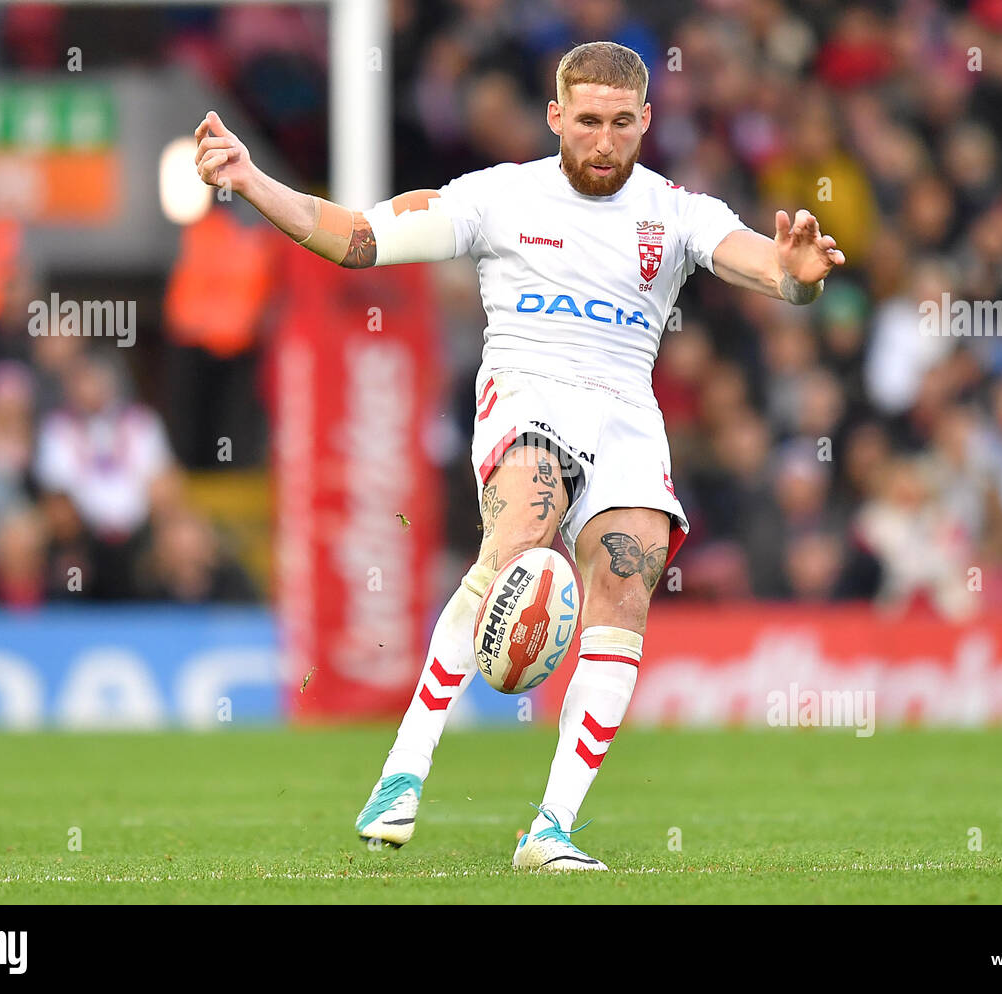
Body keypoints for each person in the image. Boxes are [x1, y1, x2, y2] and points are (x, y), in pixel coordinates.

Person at [194, 41, 844, 871]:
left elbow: (769, 264)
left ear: (645, 122)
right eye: (586, 123)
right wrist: (251, 181)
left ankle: (550, 830)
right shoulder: (498, 197)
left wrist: (799, 279)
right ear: (555, 118)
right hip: (527, 397)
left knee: (624, 584)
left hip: (626, 419)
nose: (602, 142)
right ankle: (404, 769)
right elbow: (357, 238)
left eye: (619, 125)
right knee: (521, 538)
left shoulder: (678, 211)